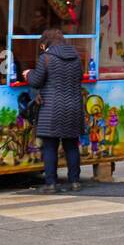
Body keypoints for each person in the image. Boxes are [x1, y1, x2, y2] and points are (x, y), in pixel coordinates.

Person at [26, 29, 86, 193]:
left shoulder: (46, 58)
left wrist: (28, 73)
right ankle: (75, 182)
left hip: (52, 108)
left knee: (50, 146)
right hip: (73, 106)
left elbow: (36, 81)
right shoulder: (75, 57)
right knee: (71, 145)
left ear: (45, 43)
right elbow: (80, 77)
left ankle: (51, 184)